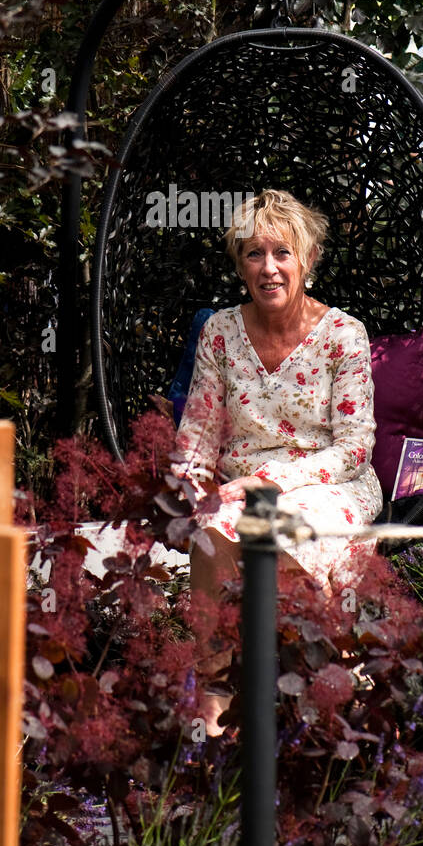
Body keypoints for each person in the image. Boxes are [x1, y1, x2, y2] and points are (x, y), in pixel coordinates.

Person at [169, 188, 383, 730]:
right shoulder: (220, 332)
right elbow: (197, 430)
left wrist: (273, 480)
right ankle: (216, 703)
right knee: (209, 528)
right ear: (240, 264)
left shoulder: (343, 333)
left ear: (307, 260)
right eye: (254, 254)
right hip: (241, 486)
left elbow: (355, 446)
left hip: (331, 480)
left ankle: (322, 700)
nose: (269, 268)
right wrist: (189, 488)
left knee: (282, 533)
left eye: (282, 253)